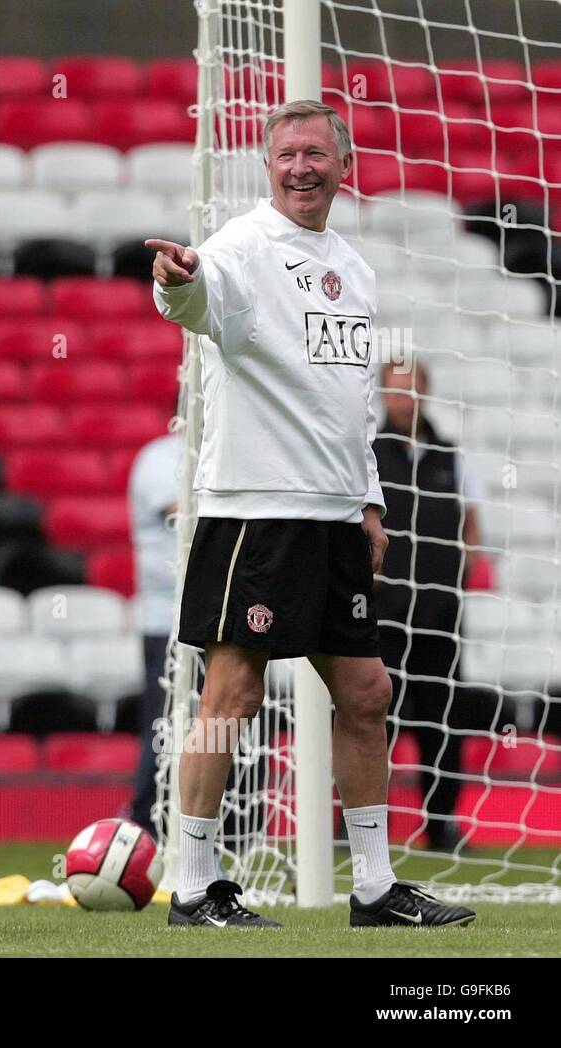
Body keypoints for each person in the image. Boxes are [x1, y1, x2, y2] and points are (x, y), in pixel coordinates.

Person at [147, 99, 475, 928]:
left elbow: (347, 400)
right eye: (288, 152)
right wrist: (174, 283)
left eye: (316, 154)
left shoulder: (352, 268)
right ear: (269, 164)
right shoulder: (237, 250)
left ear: (343, 164)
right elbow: (195, 301)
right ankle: (193, 884)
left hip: (333, 516)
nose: (302, 167)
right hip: (257, 511)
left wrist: (367, 496)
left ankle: (372, 888)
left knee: (366, 692)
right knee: (233, 694)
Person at [374, 359, 484, 851]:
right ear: (381, 396)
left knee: (442, 723)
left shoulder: (453, 455)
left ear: (426, 394)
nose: (405, 401)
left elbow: (472, 525)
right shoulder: (367, 454)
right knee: (372, 718)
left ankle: (440, 827)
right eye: (396, 392)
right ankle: (357, 827)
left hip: (440, 616)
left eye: (413, 391)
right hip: (383, 615)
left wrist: (457, 575)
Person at [126, 432, 184, 829]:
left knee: (226, 727)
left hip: (221, 614)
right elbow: (181, 511)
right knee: (164, 725)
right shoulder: (161, 458)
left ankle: (232, 830)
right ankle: (145, 820)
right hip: (167, 619)